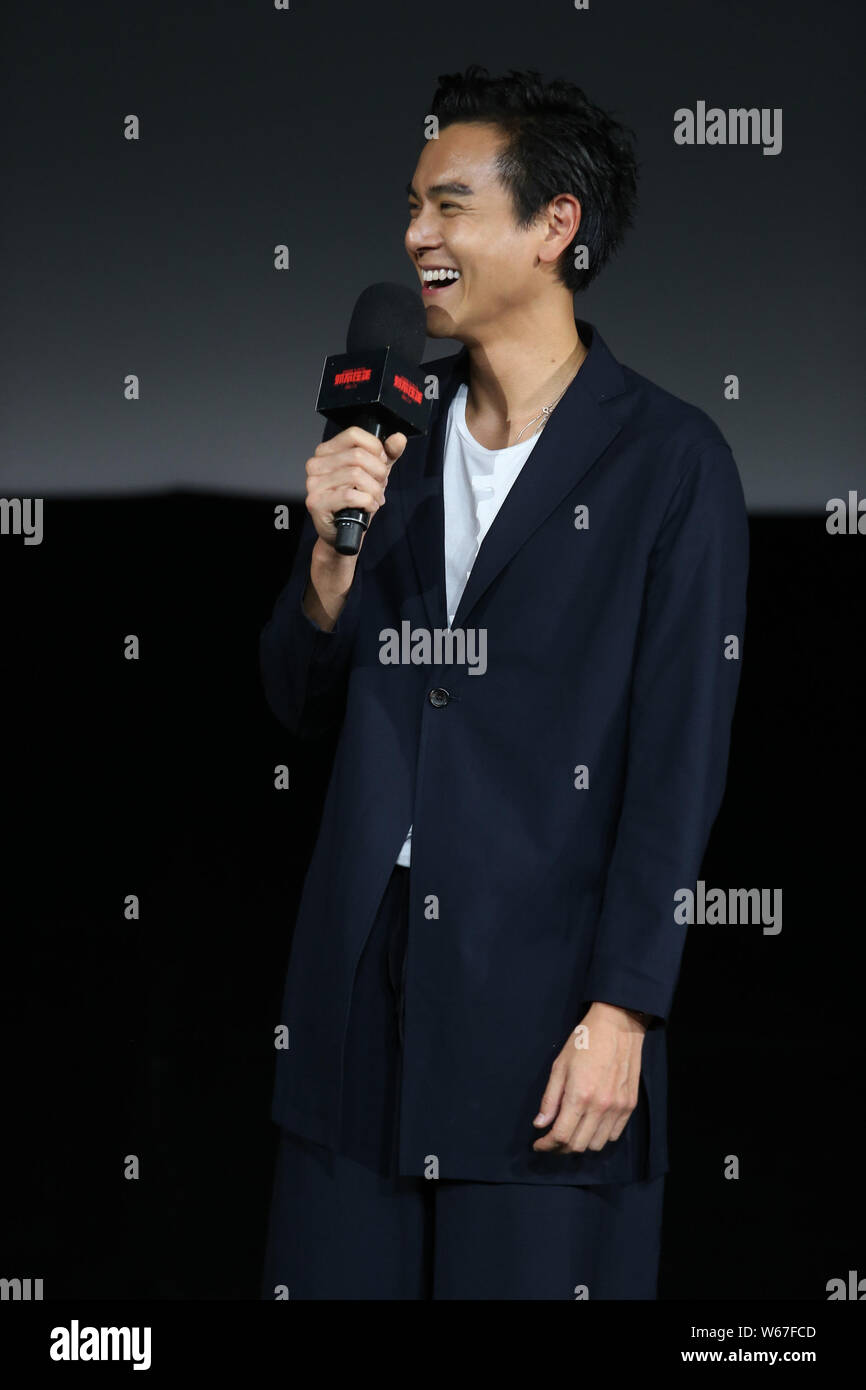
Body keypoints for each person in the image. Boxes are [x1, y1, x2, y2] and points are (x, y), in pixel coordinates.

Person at [259, 65, 748, 1300]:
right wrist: (324, 561)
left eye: (450, 205)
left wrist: (624, 1008)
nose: (415, 235)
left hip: (544, 998)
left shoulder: (668, 459)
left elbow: (676, 754)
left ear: (552, 229)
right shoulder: (391, 438)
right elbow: (294, 701)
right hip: (358, 995)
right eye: (412, 207)